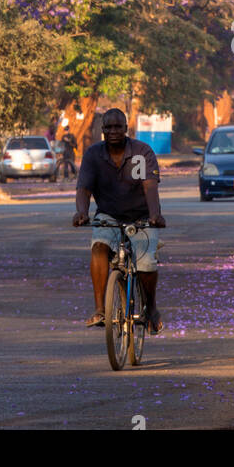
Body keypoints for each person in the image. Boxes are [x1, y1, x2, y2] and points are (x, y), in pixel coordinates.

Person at [72, 108, 165, 333]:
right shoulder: (93, 155)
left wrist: (154, 214)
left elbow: (149, 186)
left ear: (126, 129)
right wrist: (82, 212)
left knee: (145, 264)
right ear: (102, 130)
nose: (113, 131)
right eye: (109, 127)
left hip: (142, 217)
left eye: (118, 127)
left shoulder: (141, 153)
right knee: (99, 247)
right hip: (108, 215)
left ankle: (151, 308)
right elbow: (84, 188)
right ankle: (99, 310)